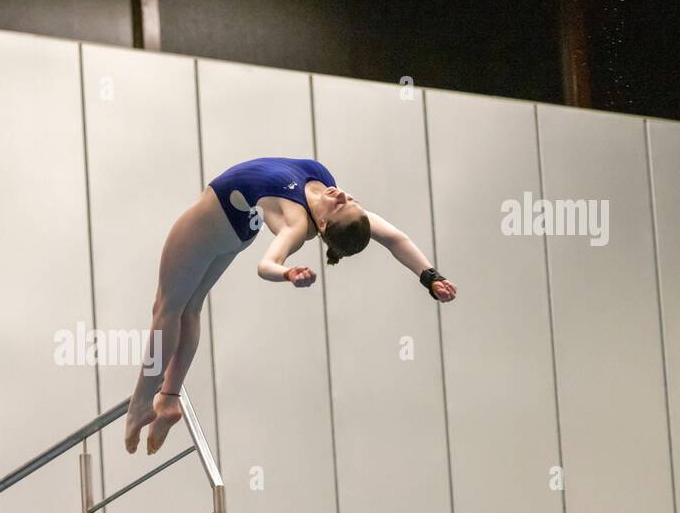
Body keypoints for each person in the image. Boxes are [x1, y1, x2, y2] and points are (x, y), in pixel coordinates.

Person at [124, 156, 457, 455]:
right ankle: (168, 399)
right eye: (351, 199)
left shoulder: (297, 222)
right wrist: (430, 276)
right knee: (189, 308)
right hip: (233, 222)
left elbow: (266, 264)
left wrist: (287, 272)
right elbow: (396, 238)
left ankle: (142, 400)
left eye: (341, 204)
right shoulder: (327, 193)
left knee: (166, 308)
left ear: (323, 226)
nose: (342, 195)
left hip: (214, 221)